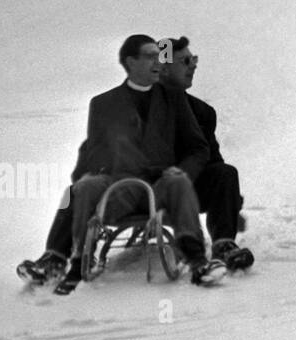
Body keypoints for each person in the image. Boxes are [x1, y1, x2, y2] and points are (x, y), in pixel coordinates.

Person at [17, 35, 226, 293]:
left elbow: (198, 148)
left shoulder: (173, 98)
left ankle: (197, 261)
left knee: (179, 180)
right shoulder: (104, 104)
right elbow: (93, 152)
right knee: (74, 192)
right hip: (120, 188)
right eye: (150, 56)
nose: (157, 62)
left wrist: (182, 169)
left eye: (159, 56)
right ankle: (57, 259)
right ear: (131, 62)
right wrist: (88, 176)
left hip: (161, 187)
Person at [159, 38, 254, 271]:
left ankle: (223, 245)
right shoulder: (141, 106)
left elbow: (214, 161)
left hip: (190, 188)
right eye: (186, 61)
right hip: (153, 190)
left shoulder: (202, 112)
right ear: (163, 68)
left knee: (225, 173)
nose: (193, 66)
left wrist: (230, 205)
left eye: (195, 60)